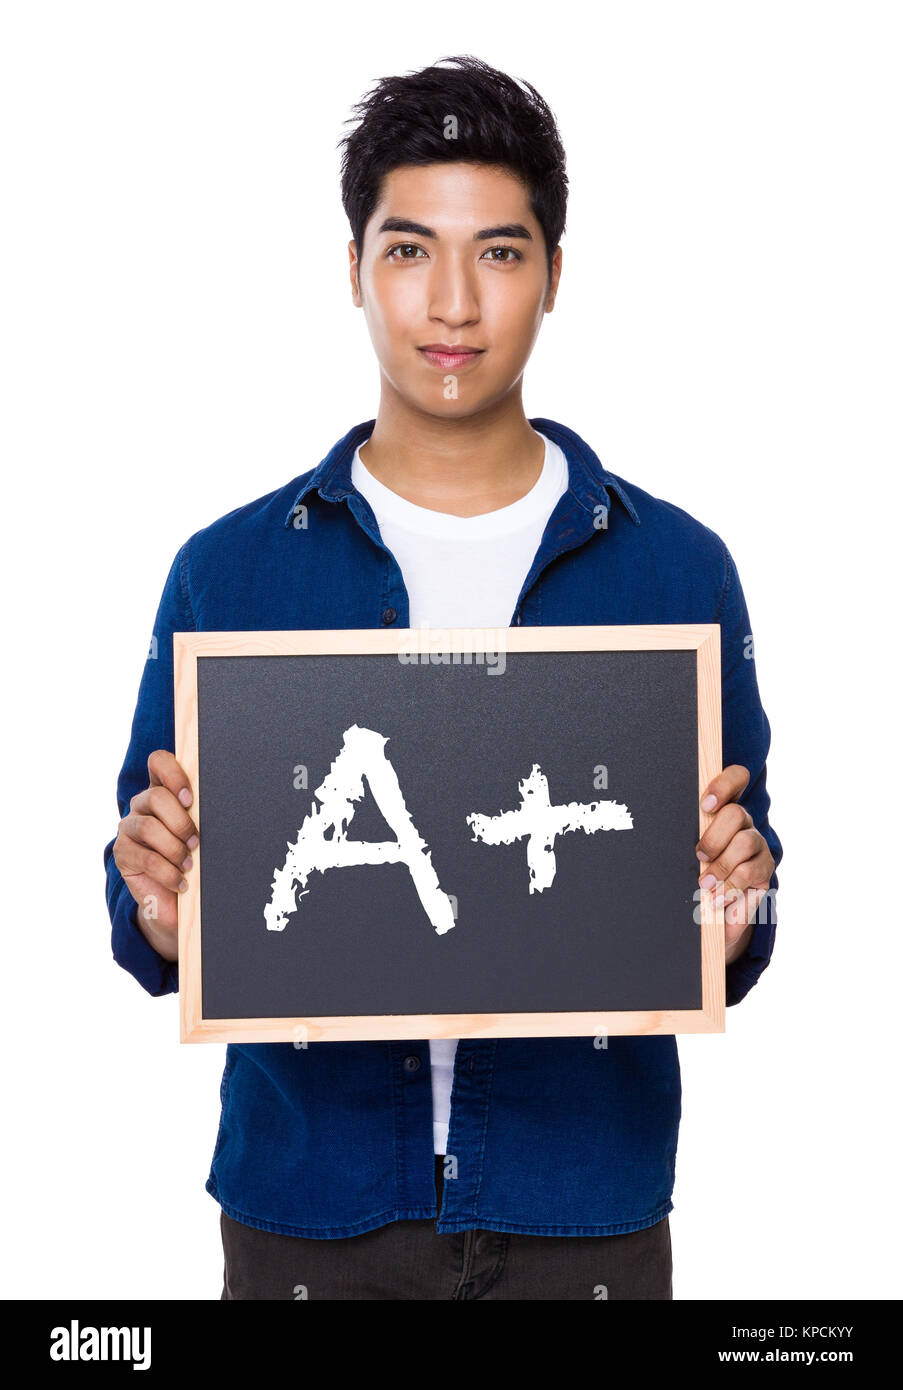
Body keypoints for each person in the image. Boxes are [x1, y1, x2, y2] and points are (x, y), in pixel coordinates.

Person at [103, 54, 782, 1301]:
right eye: (410, 250)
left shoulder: (678, 571)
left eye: (502, 253)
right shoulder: (230, 573)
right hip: (311, 1216)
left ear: (556, 275)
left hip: (585, 1210)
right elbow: (150, 915)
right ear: (353, 269)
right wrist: (157, 897)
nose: (454, 303)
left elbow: (738, 914)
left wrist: (730, 905)